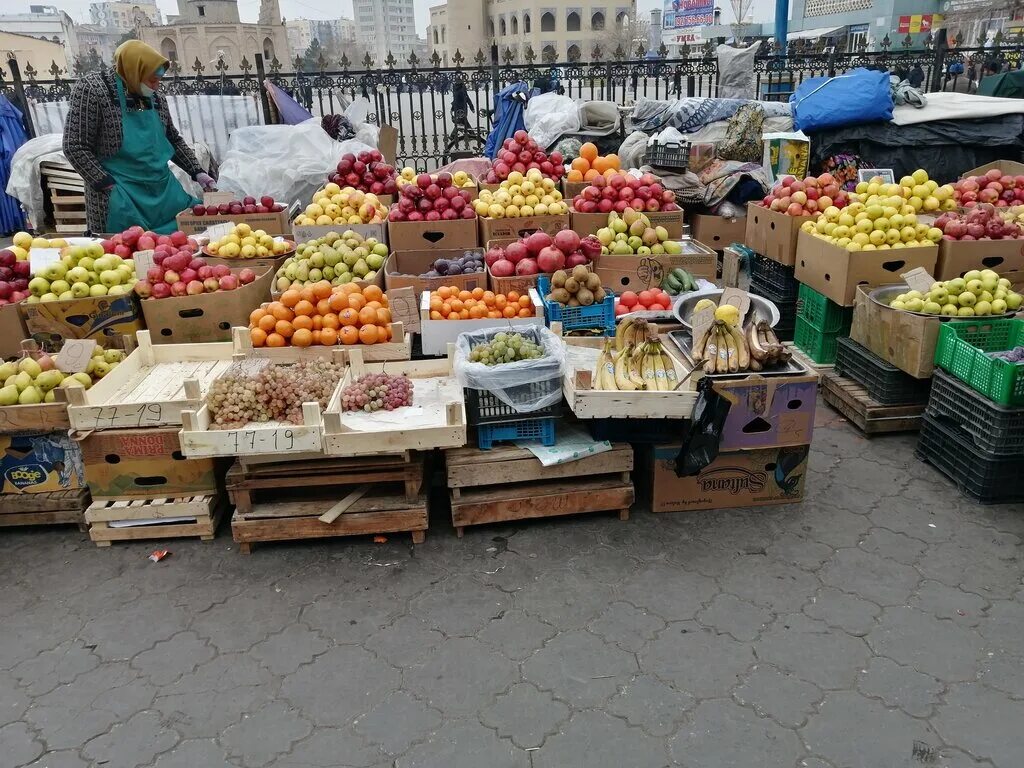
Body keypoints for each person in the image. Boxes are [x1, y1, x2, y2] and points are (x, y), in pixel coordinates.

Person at [63, 40, 214, 234]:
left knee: (183, 243)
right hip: (121, 194)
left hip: (161, 191)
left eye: (159, 80)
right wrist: (106, 185)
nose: (157, 86)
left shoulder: (155, 97)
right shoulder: (93, 89)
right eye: (152, 80)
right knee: (123, 253)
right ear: (134, 73)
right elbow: (74, 145)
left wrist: (197, 171)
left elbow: (171, 138)